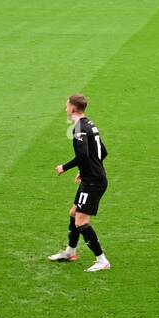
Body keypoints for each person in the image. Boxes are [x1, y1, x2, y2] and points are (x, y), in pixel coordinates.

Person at [46, 94, 112, 272]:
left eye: (67, 106)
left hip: (94, 182)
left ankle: (102, 260)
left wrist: (64, 167)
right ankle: (70, 252)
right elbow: (102, 152)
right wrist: (85, 172)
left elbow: (83, 155)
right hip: (92, 177)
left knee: (81, 222)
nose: (65, 109)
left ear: (73, 108)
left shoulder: (79, 128)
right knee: (74, 213)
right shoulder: (89, 124)